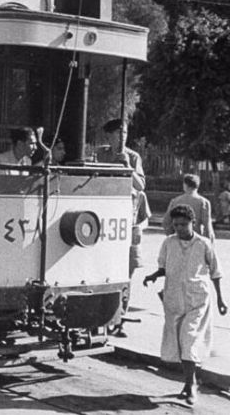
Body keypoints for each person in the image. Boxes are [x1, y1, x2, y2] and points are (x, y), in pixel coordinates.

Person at [143, 205, 226, 406]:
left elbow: (215, 273)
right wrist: (154, 275)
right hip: (174, 301)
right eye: (176, 225)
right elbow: (163, 267)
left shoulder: (204, 244)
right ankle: (190, 381)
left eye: (183, 224)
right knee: (180, 344)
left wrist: (221, 300)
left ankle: (190, 386)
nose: (179, 228)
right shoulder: (168, 243)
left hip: (197, 301)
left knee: (188, 340)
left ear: (193, 223)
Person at [97, 118, 151, 337]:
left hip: (124, 221)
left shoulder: (133, 156)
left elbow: (141, 185)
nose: (122, 137)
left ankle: (121, 320)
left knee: (125, 273)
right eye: (118, 133)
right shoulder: (101, 154)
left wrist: (127, 167)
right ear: (109, 136)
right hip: (102, 218)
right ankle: (100, 319)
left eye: (125, 133)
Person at [162, 174, 215, 242]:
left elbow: (166, 222)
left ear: (185, 185)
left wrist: (171, 235)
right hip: (196, 239)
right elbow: (207, 226)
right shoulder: (204, 202)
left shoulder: (175, 201)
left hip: (178, 238)